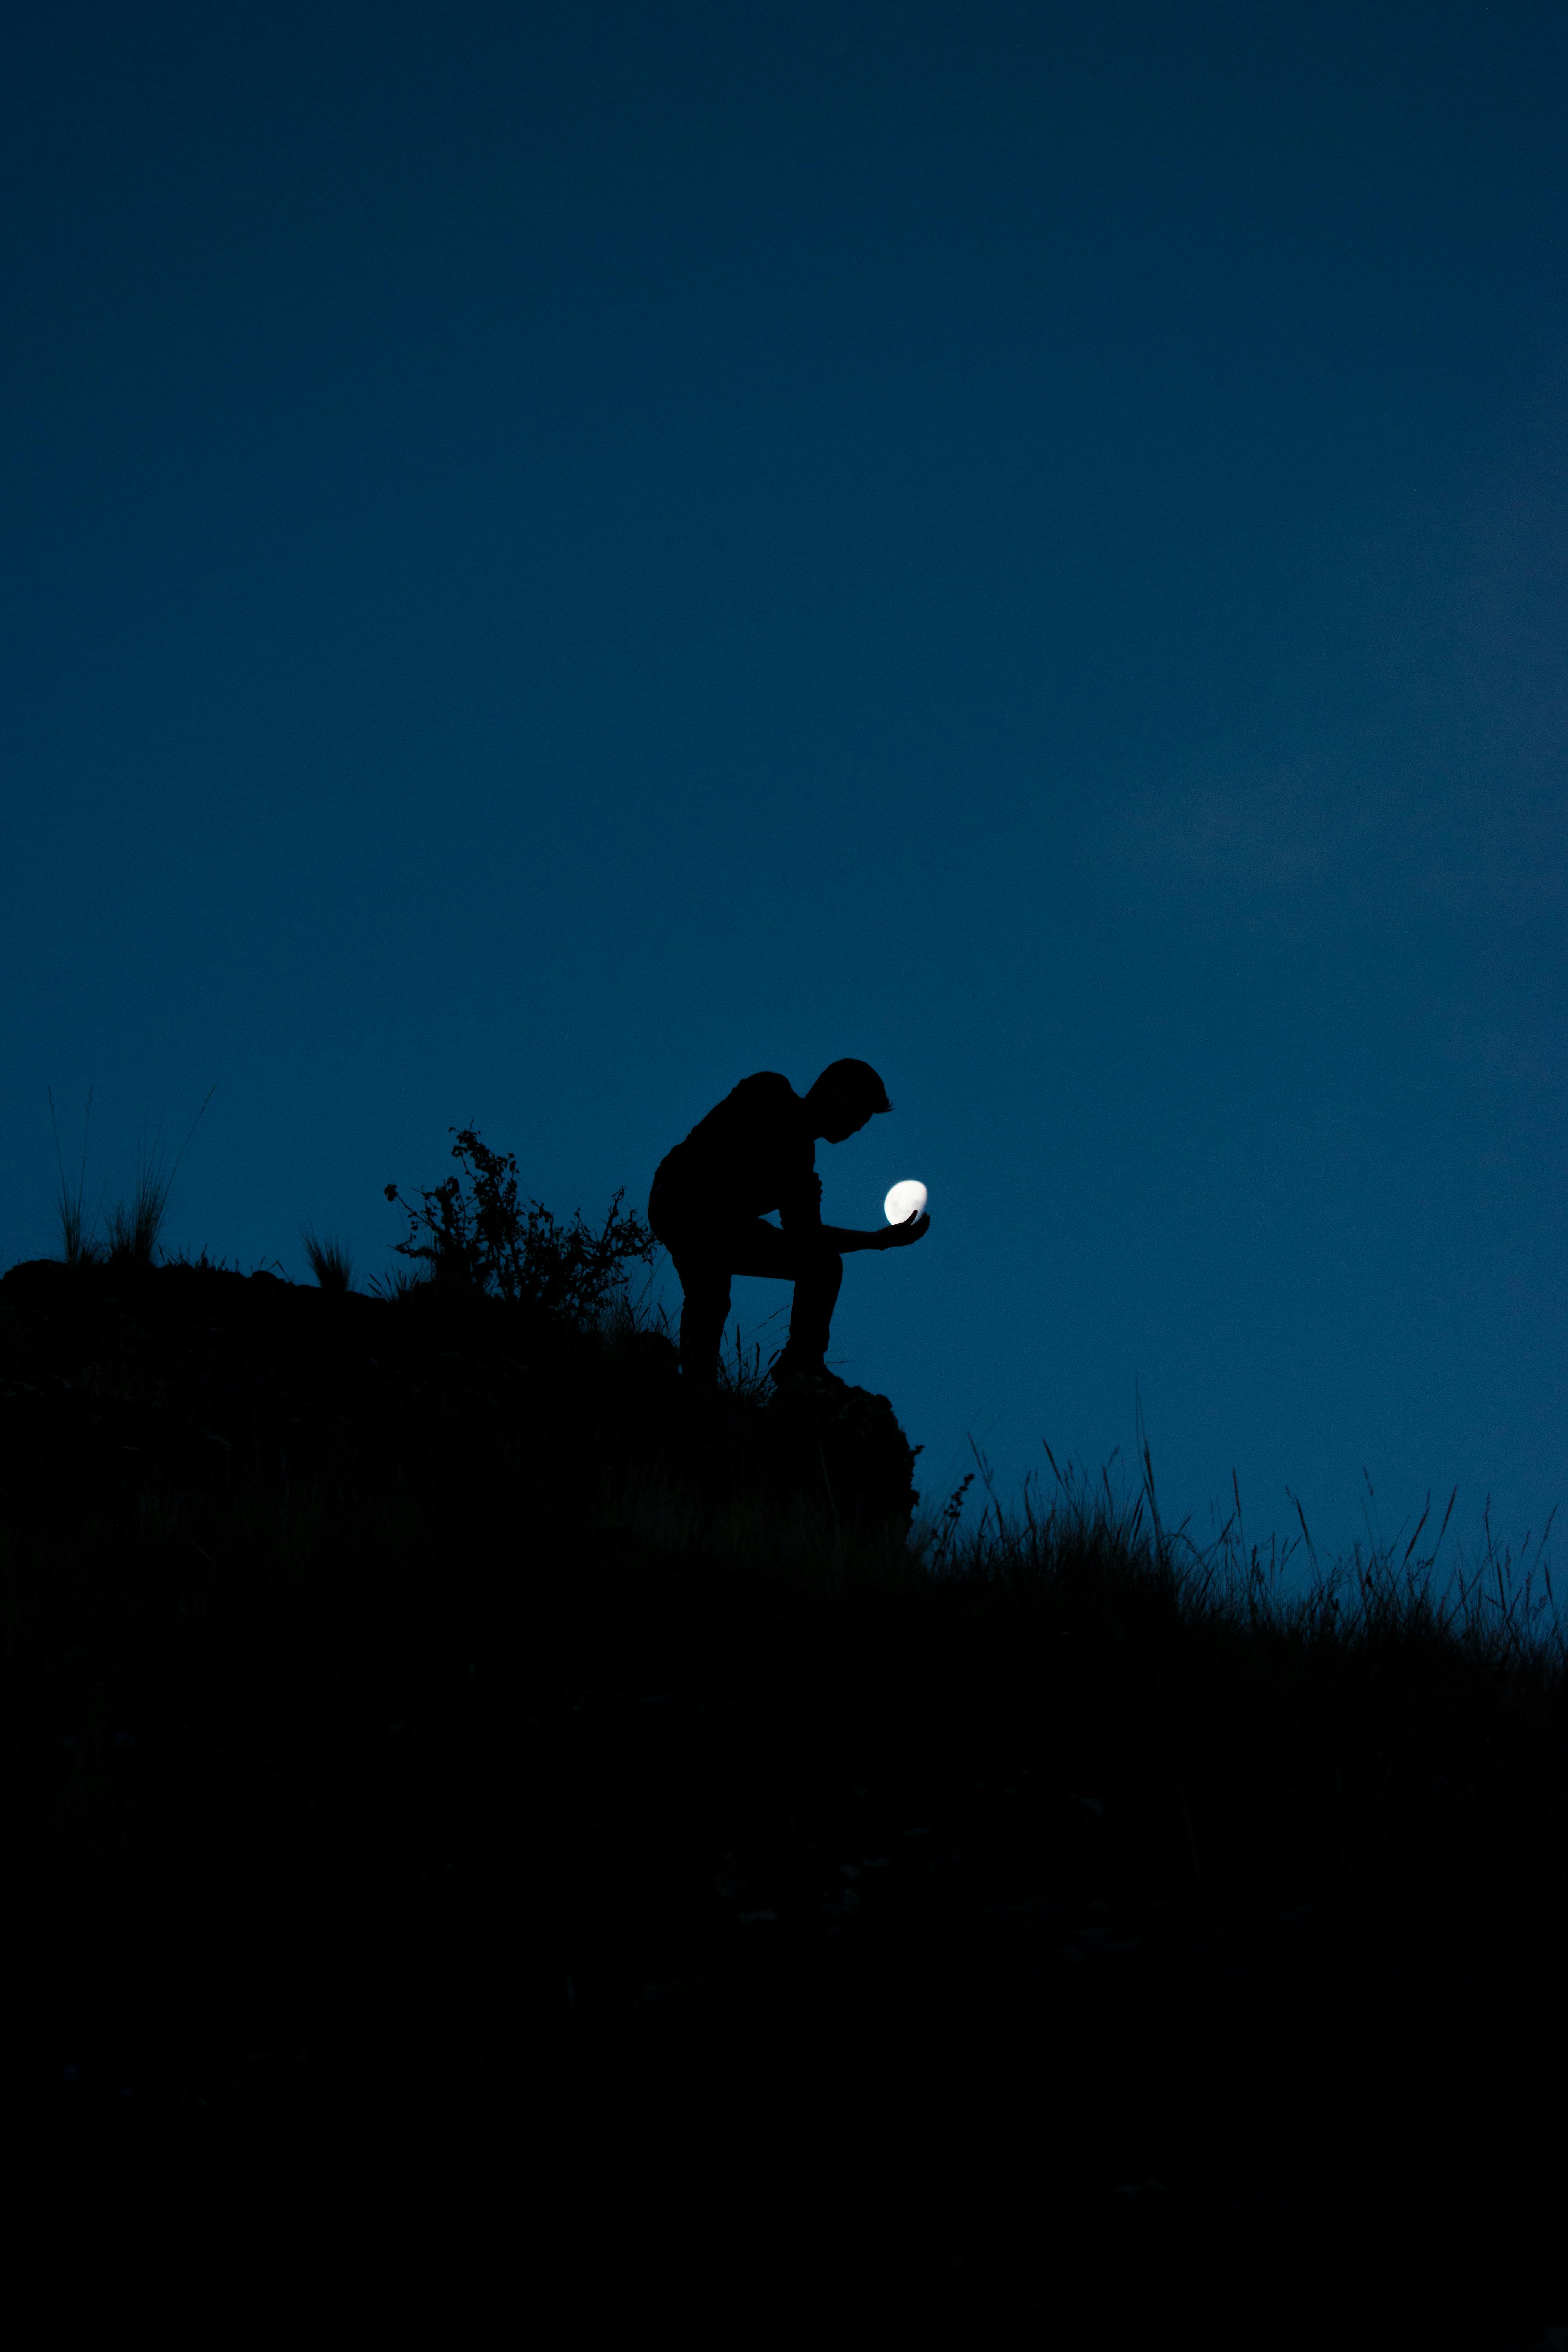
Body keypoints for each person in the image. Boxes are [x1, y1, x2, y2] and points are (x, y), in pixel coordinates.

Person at [648, 1059, 930, 1392]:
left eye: (866, 1117)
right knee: (711, 1290)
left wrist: (877, 1239)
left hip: (722, 1224)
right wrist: (786, 1188)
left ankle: (800, 1366)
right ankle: (699, 1389)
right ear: (832, 1088)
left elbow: (808, 1238)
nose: (859, 1124)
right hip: (679, 1199)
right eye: (858, 1109)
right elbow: (722, 1160)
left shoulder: (801, 1162)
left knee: (821, 1264)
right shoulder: (770, 1091)